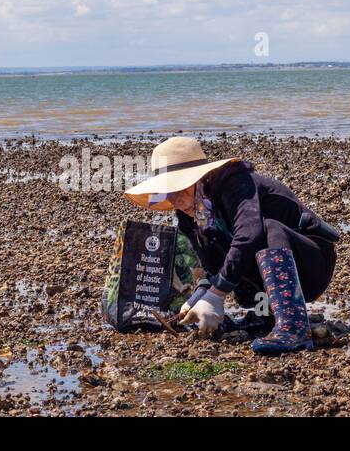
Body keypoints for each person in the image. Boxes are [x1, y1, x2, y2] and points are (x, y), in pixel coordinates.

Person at [124, 137, 338, 355]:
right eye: (168, 192)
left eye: (178, 188)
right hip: (264, 280)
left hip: (312, 265)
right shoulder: (190, 216)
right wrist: (198, 298)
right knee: (230, 262)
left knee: (268, 228)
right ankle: (267, 316)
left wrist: (216, 294)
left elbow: (249, 235)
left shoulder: (234, 183)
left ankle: (293, 327)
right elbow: (211, 266)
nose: (174, 199)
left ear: (197, 178)